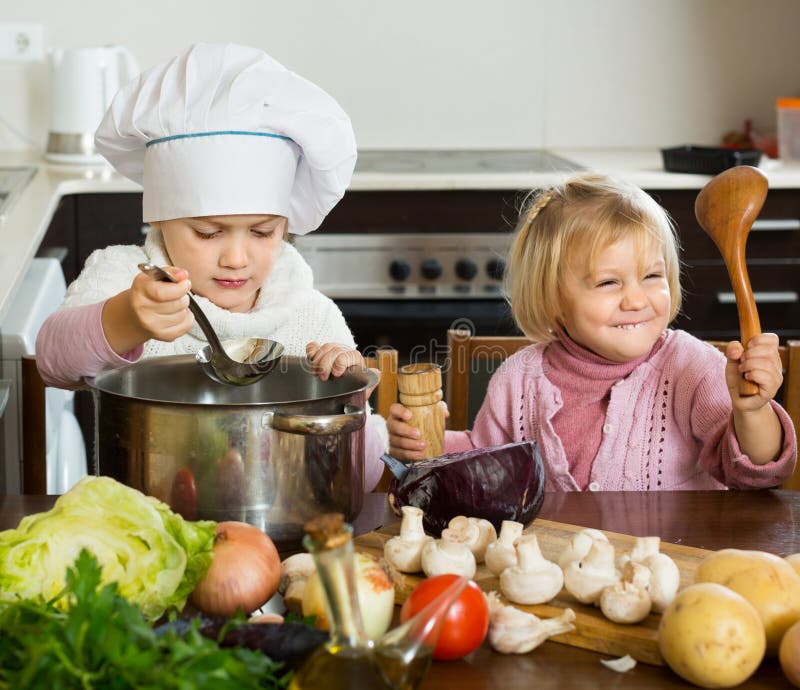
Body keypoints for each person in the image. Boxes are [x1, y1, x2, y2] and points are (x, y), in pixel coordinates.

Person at [36, 42, 388, 491]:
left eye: (262, 233)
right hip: (145, 523)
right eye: (208, 233)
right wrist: (127, 317)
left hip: (282, 536)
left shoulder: (310, 314)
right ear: (159, 217)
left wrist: (349, 399)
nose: (236, 258)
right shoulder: (125, 276)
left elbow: (363, 478)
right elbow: (52, 362)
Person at [388, 173, 797, 490]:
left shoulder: (694, 368)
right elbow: (485, 464)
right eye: (609, 283)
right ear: (554, 299)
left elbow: (757, 474)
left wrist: (752, 412)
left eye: (652, 275)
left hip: (674, 573)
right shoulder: (518, 380)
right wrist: (431, 445)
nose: (636, 300)